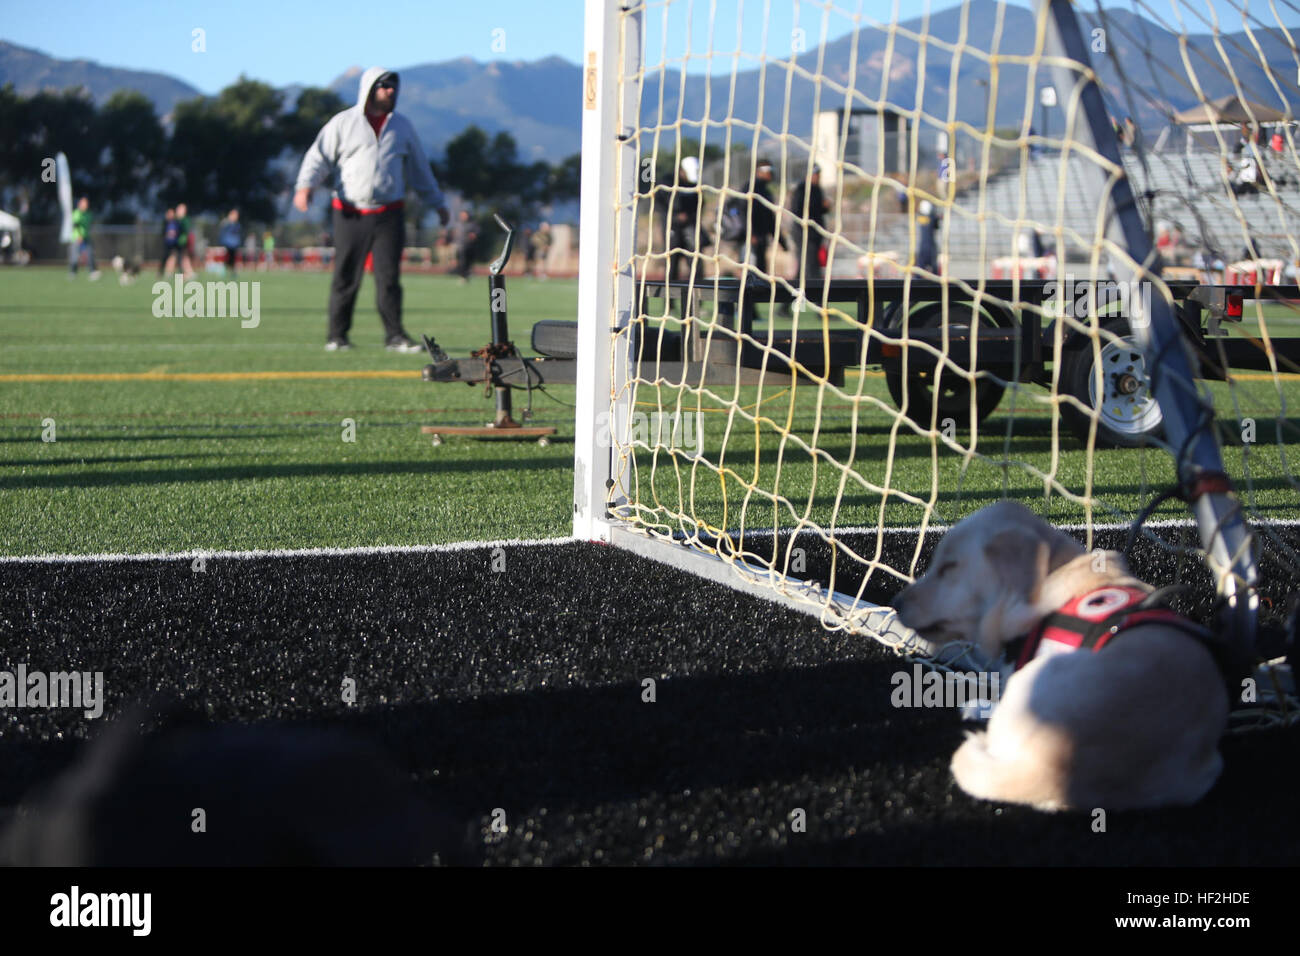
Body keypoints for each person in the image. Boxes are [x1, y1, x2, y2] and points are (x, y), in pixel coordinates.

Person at [293, 67, 450, 351]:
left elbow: (419, 170)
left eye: (393, 86)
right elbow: (319, 157)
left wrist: (438, 203)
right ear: (369, 89)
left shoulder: (402, 126)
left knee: (389, 278)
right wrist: (305, 187)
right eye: (383, 86)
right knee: (345, 276)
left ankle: (395, 336)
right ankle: (337, 336)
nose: (390, 91)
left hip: (389, 213)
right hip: (350, 212)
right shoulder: (343, 123)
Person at [787, 164, 830, 290]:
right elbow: (797, 211)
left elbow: (817, 211)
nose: (817, 177)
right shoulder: (801, 189)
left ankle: (785, 304)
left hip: (815, 235)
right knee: (812, 267)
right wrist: (805, 229)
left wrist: (825, 207)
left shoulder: (817, 190)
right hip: (804, 235)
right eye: (815, 175)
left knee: (803, 268)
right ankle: (819, 304)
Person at [666, 157, 706, 283]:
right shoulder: (667, 182)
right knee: (672, 264)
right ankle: (669, 301)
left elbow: (700, 204)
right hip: (672, 230)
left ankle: (695, 296)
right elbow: (660, 205)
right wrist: (675, 216)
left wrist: (690, 216)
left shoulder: (694, 187)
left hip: (690, 228)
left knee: (695, 263)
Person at [68, 197, 100, 280]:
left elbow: (89, 225)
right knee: (75, 257)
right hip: (76, 238)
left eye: (86, 204)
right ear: (80, 204)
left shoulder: (89, 214)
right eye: (84, 204)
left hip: (86, 237)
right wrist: (79, 236)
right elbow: (76, 225)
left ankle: (93, 272)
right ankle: (73, 273)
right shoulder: (77, 213)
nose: (85, 205)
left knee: (90, 254)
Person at [914, 199, 940, 274]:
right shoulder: (932, 218)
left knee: (920, 267)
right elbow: (936, 226)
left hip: (922, 246)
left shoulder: (920, 217)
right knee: (934, 268)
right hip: (930, 246)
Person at [451, 210, 477, 283]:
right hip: (459, 246)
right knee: (460, 262)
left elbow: (475, 234)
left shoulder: (472, 224)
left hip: (468, 246)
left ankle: (466, 275)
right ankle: (462, 276)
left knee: (467, 262)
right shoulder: (458, 224)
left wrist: (472, 236)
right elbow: (454, 234)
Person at [219, 209, 242, 277]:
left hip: (234, 244)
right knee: (227, 258)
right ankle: (225, 271)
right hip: (228, 243)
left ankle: (233, 272)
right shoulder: (226, 223)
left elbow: (238, 232)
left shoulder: (237, 224)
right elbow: (223, 232)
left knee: (233, 259)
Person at [158, 208, 179, 277]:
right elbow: (163, 232)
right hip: (167, 243)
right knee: (165, 257)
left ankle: (172, 272)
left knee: (175, 257)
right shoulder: (165, 222)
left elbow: (178, 231)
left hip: (175, 243)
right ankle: (161, 272)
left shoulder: (176, 222)